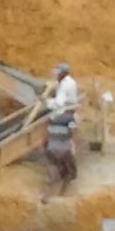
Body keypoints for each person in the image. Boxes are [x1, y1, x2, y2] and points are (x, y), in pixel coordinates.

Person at [45, 64, 79, 196]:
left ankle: (58, 184)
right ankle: (63, 184)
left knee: (59, 162)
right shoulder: (69, 82)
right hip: (63, 143)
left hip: (63, 113)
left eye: (58, 73)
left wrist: (46, 102)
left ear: (63, 73)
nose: (56, 75)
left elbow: (59, 103)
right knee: (66, 162)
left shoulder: (65, 85)